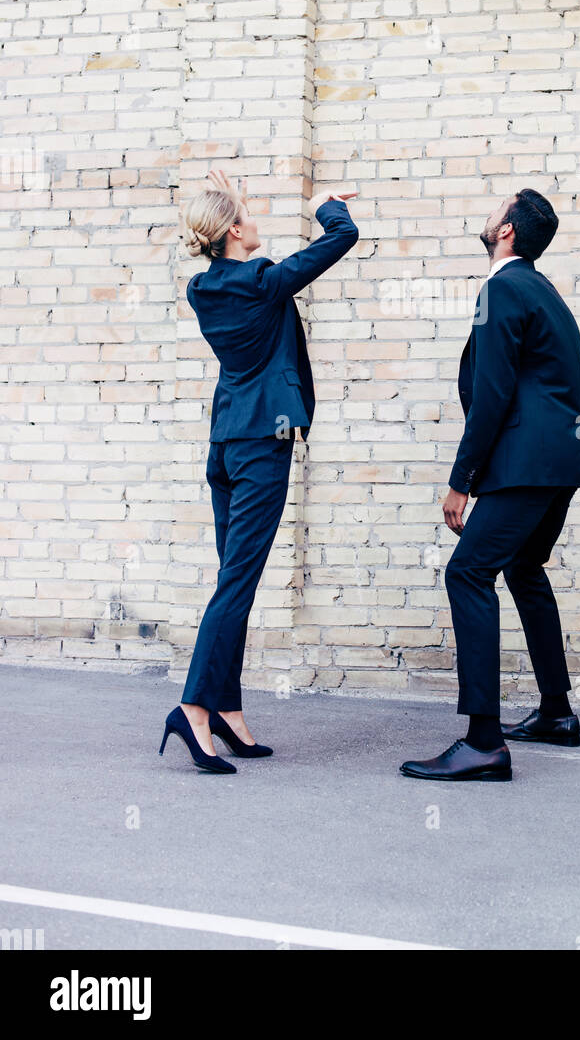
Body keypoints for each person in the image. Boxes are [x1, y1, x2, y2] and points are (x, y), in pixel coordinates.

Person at [160, 169, 359, 773]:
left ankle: (228, 709)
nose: (256, 218)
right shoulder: (266, 282)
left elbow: (237, 263)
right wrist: (327, 206)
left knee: (233, 579)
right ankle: (194, 707)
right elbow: (339, 239)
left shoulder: (205, 288)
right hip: (260, 446)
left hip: (224, 444)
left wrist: (231, 201)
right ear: (235, 231)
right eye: (247, 213)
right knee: (237, 583)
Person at [400, 189, 580, 783]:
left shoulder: (504, 288)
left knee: (466, 573)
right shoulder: (546, 292)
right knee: (524, 570)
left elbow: (492, 394)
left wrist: (462, 482)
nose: (486, 215)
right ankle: (557, 714)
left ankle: (483, 741)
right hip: (558, 461)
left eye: (495, 209)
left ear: (507, 230)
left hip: (524, 462)